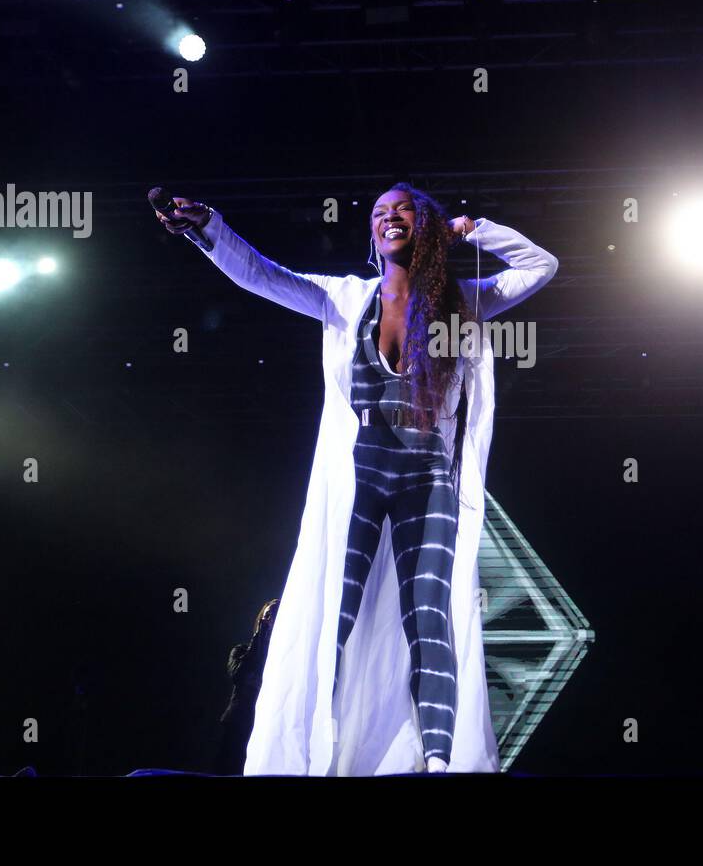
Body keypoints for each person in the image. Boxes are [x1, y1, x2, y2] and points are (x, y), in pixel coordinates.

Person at [157, 184, 558, 774]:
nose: (388, 218)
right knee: (333, 612)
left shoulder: (465, 302)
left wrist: (472, 231)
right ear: (371, 235)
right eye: (377, 213)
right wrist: (206, 227)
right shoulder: (344, 298)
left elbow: (541, 265)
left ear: (427, 227)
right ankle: (323, 752)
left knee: (431, 614)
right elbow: (261, 276)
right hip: (362, 471)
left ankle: (440, 761)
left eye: (403, 210)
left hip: (427, 474)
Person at [212, 599, 278, 775]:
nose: (271, 620)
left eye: (276, 616)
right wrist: (261, 636)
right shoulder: (240, 651)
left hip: (268, 728)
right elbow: (240, 674)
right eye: (268, 615)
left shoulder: (281, 662)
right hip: (238, 725)